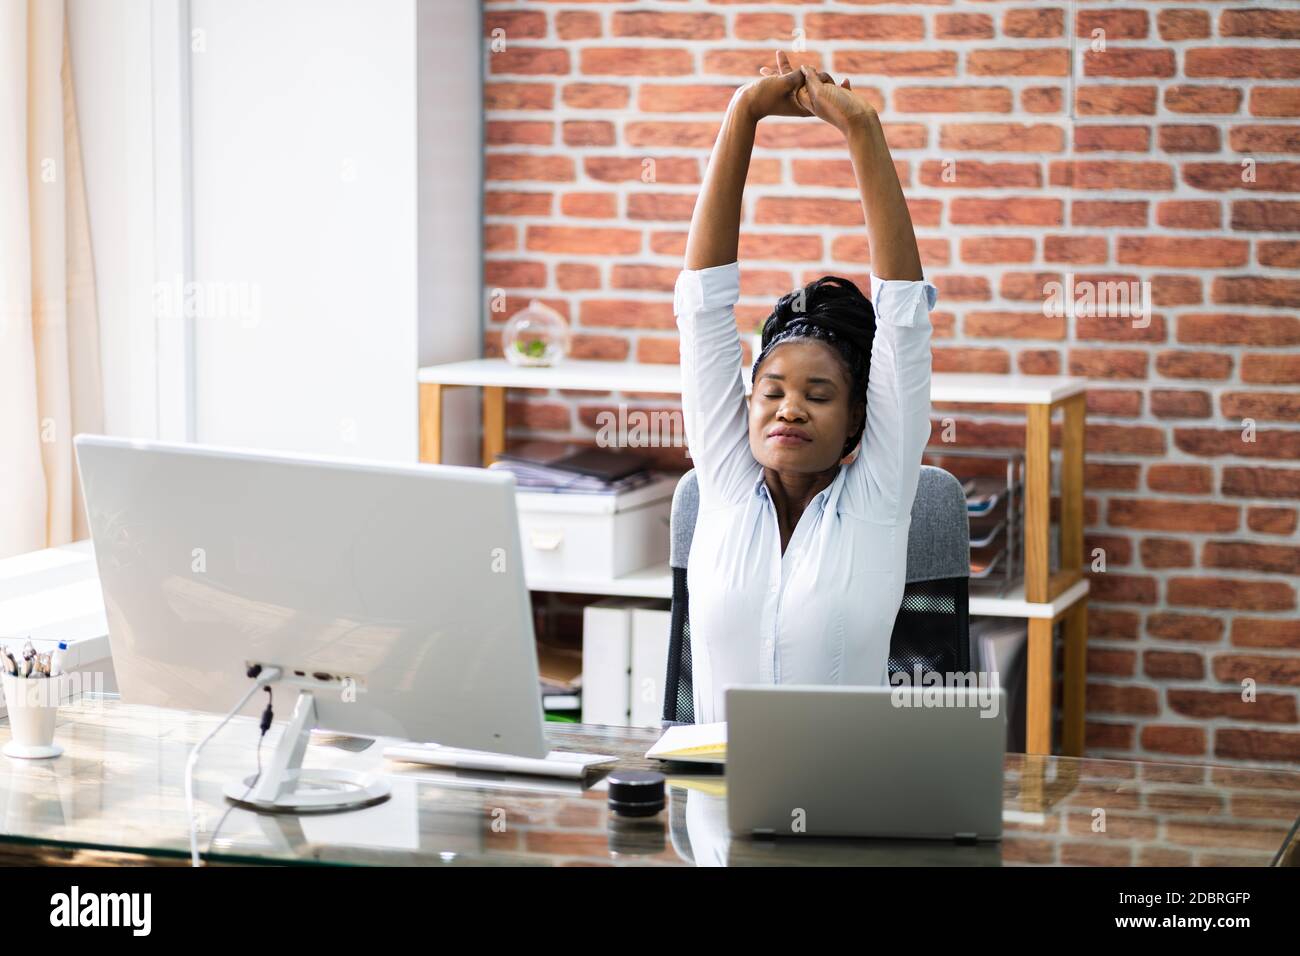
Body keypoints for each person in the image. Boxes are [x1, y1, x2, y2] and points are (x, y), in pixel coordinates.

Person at [674, 51, 939, 723]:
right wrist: (742, 116)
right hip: (715, 807)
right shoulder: (725, 482)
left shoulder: (879, 499)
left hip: (848, 807)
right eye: (772, 392)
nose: (789, 408)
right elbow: (703, 307)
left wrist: (862, 131)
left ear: (856, 420)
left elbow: (904, 320)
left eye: (818, 396)